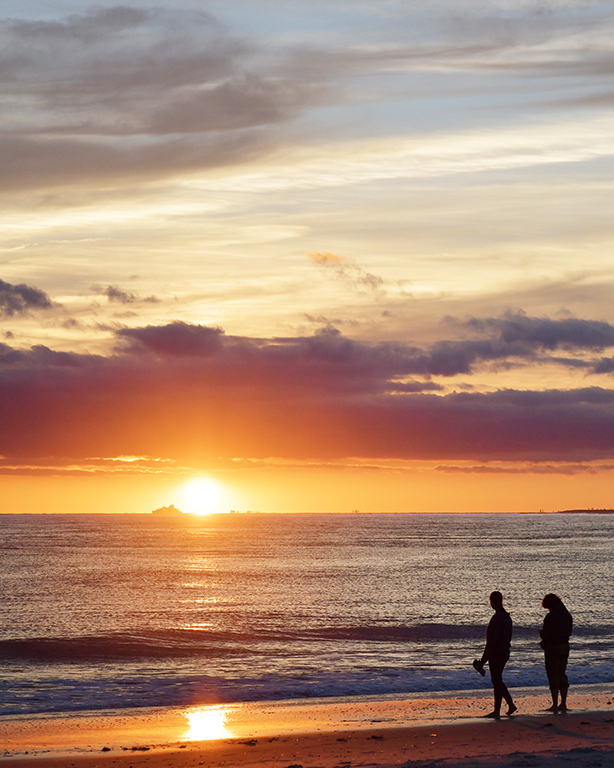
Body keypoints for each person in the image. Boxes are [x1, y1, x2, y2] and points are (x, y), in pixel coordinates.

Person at [473, 591, 517, 719]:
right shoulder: (506, 617)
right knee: (497, 680)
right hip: (505, 651)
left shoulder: (497, 618)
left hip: (497, 653)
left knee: (496, 680)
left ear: (491, 602)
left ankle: (497, 710)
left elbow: (491, 642)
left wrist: (483, 660)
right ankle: (509, 705)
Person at [540, 593, 573, 712]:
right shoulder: (567, 615)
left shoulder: (551, 616)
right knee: (562, 673)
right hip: (565, 645)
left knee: (552, 673)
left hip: (553, 647)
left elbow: (547, 633)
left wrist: (542, 635)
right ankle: (563, 703)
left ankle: (554, 703)